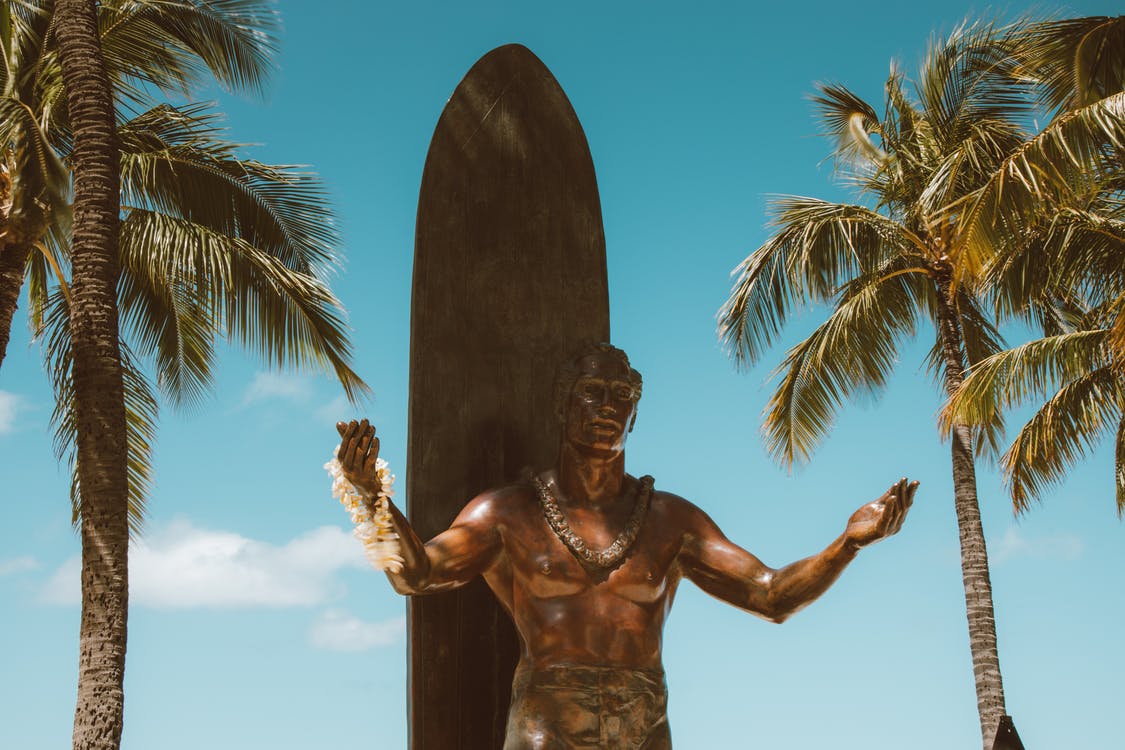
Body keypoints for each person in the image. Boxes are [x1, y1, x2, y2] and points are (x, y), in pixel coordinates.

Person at [335, 343, 915, 749]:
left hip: (644, 723)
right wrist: (371, 496)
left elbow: (771, 596)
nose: (608, 407)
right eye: (592, 393)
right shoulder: (508, 513)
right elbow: (416, 574)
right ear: (563, 406)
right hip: (549, 722)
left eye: (622, 397)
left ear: (635, 417)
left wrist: (848, 544)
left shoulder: (671, 520)